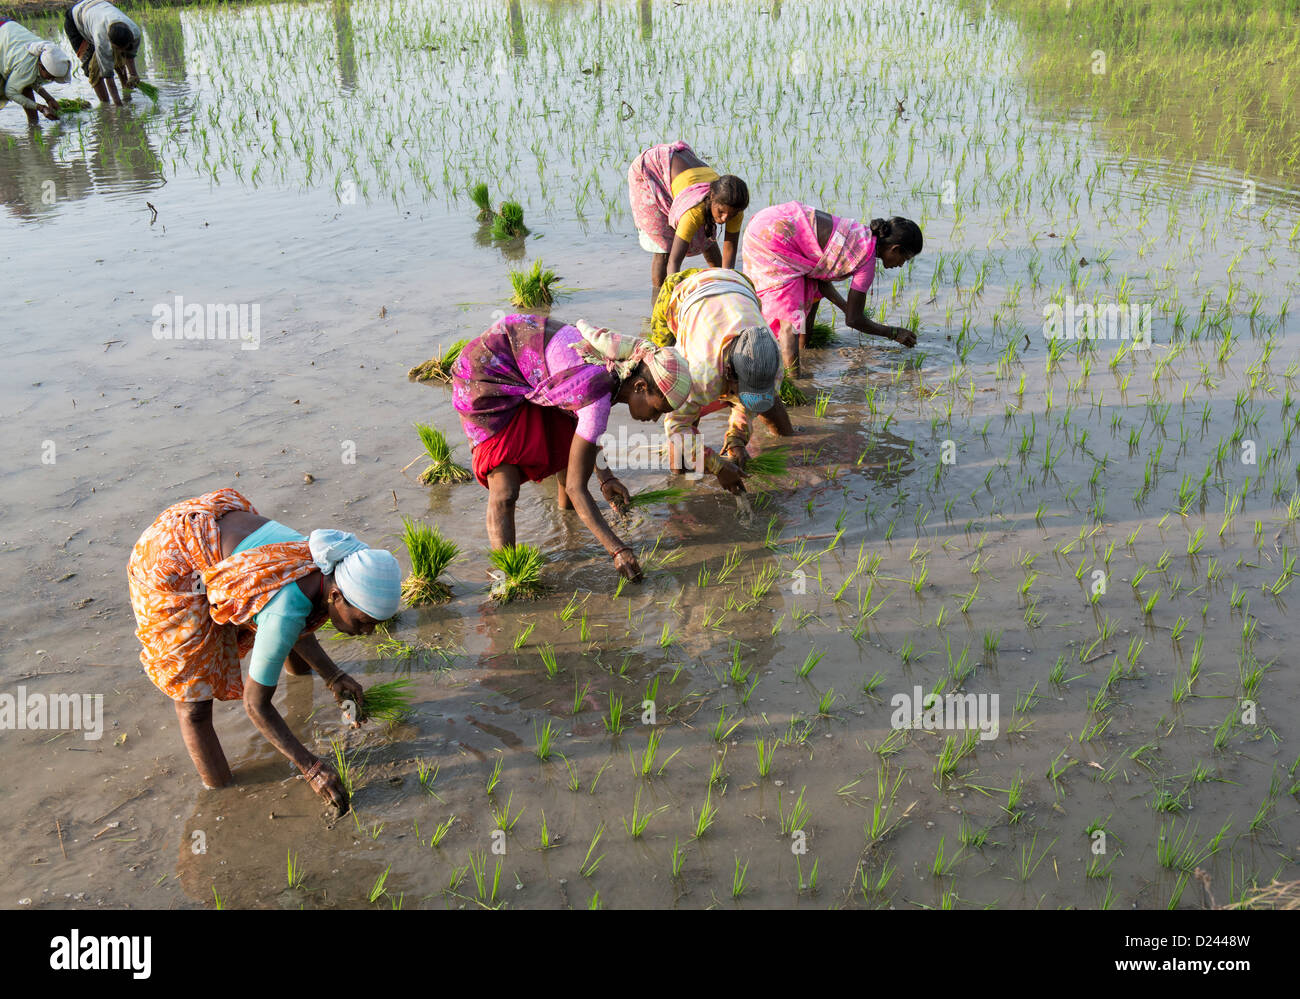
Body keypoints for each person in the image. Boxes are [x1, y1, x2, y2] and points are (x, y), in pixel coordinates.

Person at [128, 489, 402, 812]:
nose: (367, 632)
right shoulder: (286, 607)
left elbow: (290, 616)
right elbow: (255, 705)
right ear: (337, 596)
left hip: (207, 526)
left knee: (282, 633)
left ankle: (297, 712)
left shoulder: (322, 560)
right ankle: (219, 799)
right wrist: (311, 768)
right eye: (364, 621)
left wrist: (333, 675)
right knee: (194, 705)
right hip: (169, 564)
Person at [451, 313, 691, 582]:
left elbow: (584, 429)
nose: (655, 419)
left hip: (529, 366)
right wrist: (618, 550)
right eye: (657, 410)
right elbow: (578, 488)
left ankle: (568, 528)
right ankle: (507, 576)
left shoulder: (612, 371)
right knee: (505, 490)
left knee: (567, 445)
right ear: (640, 386)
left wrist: (606, 477)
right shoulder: (597, 392)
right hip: (485, 375)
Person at [742, 202, 923, 374]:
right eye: (905, 259)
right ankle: (793, 381)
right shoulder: (865, 262)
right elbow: (854, 320)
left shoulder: (860, 236)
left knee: (812, 290)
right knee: (790, 320)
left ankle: (802, 352)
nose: (901, 265)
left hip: (772, 219)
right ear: (895, 249)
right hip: (774, 238)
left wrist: (846, 308)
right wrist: (892, 333)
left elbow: (821, 280)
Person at [654, 268, 792, 492]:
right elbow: (676, 424)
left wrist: (736, 438)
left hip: (737, 283)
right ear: (729, 373)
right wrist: (716, 466)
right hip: (680, 293)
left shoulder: (772, 361)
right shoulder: (700, 373)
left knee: (767, 403)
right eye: (741, 389)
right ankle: (679, 483)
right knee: (677, 403)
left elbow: (748, 403)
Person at [627, 140, 749, 306]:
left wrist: (727, 285)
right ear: (712, 197)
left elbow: (730, 249)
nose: (725, 218)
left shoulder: (733, 207)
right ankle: (659, 301)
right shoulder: (694, 212)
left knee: (707, 237)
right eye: (721, 212)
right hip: (651, 170)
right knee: (664, 248)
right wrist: (675, 299)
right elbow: (674, 261)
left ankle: (719, 288)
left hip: (682, 173)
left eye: (731, 214)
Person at [65, 0, 141, 106]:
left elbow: (129, 55)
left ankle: (127, 96)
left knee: (119, 59)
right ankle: (105, 104)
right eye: (118, 48)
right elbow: (108, 76)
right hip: (77, 20)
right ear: (111, 43)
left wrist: (133, 74)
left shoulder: (135, 32)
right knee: (92, 68)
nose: (120, 51)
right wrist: (119, 107)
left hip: (98, 8)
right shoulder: (102, 42)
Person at [0, 19, 71, 125]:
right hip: (3, 35)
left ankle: (33, 126)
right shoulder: (25, 64)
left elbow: (31, 79)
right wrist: (41, 108)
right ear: (41, 66)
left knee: (24, 85)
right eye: (51, 76)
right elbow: (11, 92)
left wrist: (49, 99)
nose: (51, 79)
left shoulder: (44, 52)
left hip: (7, 30)